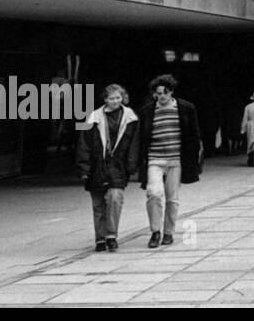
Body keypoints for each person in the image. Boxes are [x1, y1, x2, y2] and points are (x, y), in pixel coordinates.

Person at [138, 74, 203, 248]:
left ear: (172, 91)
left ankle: (168, 233)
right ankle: (155, 231)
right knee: (153, 193)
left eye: (165, 93)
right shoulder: (147, 111)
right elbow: (141, 137)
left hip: (176, 160)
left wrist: (195, 159)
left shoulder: (186, 108)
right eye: (159, 93)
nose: (162, 96)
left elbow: (194, 135)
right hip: (154, 159)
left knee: (172, 198)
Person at [76, 84, 140, 253]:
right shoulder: (92, 117)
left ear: (123, 97)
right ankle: (100, 239)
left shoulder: (131, 118)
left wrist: (132, 166)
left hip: (118, 166)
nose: (115, 101)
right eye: (111, 98)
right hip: (96, 165)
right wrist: (84, 167)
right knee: (98, 204)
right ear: (105, 99)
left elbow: (134, 144)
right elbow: (83, 143)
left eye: (118, 98)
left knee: (114, 198)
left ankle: (111, 235)